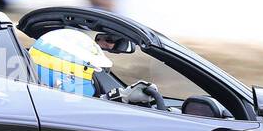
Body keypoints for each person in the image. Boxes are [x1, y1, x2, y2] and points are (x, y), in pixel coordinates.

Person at [27, 27, 165, 107]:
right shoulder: (49, 110)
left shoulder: (39, 101)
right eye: (89, 73)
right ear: (68, 73)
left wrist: (123, 96)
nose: (93, 81)